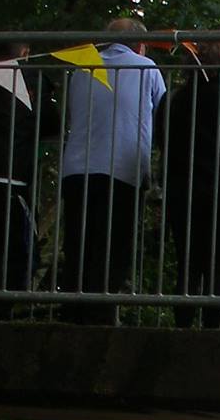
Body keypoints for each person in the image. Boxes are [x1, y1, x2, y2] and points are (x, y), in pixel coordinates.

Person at [57, 17, 165, 324]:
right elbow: (163, 111)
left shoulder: (81, 69)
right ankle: (102, 314)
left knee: (78, 243)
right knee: (113, 245)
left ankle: (72, 311)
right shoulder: (146, 68)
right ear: (139, 44)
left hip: (77, 166)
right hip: (122, 168)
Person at [157, 40, 220, 327]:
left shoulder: (173, 99)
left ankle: (182, 326)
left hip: (182, 191)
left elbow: (161, 136)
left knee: (186, 263)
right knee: (218, 265)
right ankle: (211, 330)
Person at [0, 41, 61, 318]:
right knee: (24, 254)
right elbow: (51, 121)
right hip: (12, 176)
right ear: (26, 52)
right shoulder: (31, 77)